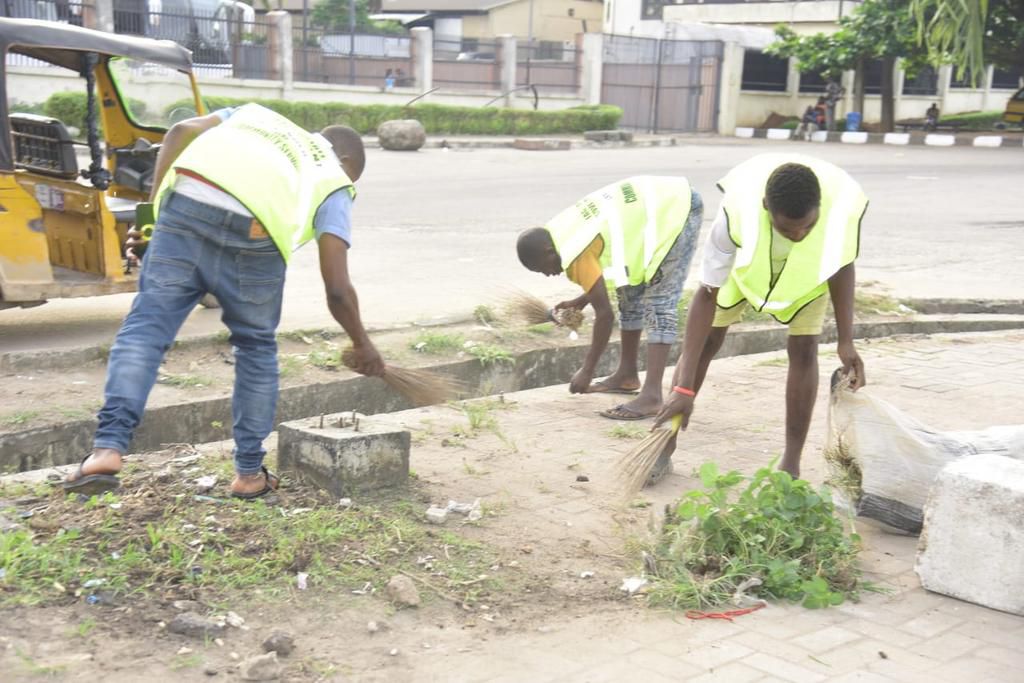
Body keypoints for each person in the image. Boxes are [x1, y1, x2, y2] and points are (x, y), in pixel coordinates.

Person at [63, 103, 385, 499]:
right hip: (256, 237)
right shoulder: (333, 178)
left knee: (145, 331)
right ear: (346, 161)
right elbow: (337, 287)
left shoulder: (254, 114)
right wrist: (362, 343)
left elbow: (179, 131)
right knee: (256, 349)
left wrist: (150, 223)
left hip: (186, 207)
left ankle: (106, 452)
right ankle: (249, 474)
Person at [653, 155, 868, 481]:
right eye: (787, 229)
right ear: (767, 207)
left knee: (804, 350)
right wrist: (683, 389)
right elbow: (706, 294)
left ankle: (790, 466)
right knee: (708, 341)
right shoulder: (735, 214)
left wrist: (846, 341)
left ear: (819, 209)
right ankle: (664, 443)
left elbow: (842, 265)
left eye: (808, 226)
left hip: (807, 278)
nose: (799, 235)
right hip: (744, 271)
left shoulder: (839, 214)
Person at [517, 177, 703, 421]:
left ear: (548, 252)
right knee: (629, 292)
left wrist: (587, 370)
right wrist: (583, 300)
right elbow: (603, 267)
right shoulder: (557, 235)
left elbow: (605, 315)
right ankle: (626, 375)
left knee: (660, 302)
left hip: (676, 209)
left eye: (543, 268)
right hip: (653, 206)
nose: (547, 274)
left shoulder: (573, 253)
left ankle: (652, 396)